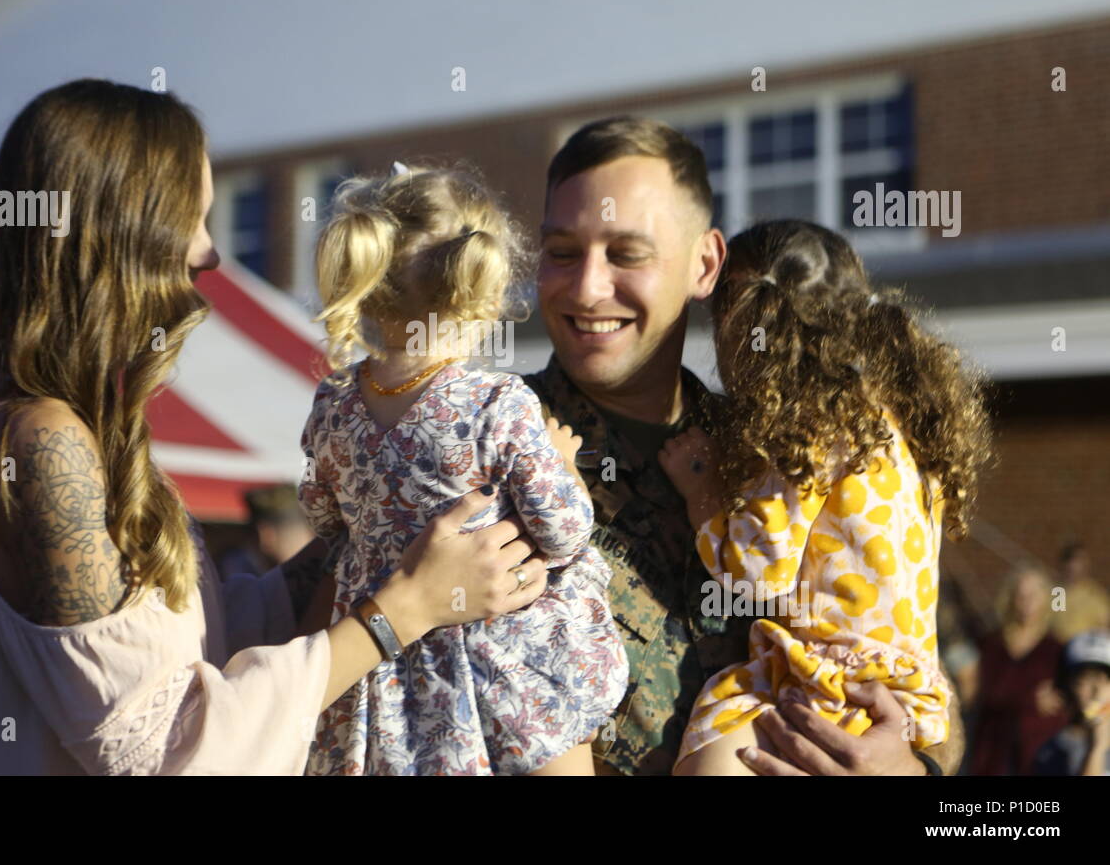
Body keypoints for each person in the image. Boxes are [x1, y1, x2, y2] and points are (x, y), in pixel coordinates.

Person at [0, 79, 550, 775]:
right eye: (192, 220)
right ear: (127, 227)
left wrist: (381, 528)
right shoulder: (43, 441)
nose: (208, 253)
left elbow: (198, 644)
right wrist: (401, 611)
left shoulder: (60, 425)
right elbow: (152, 748)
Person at [523, 115, 967, 774]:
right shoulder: (489, 450)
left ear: (706, 266)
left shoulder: (786, 445)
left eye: (626, 253)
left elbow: (914, 678)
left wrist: (912, 770)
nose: (588, 287)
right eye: (563, 251)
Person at [300, 163, 628, 775]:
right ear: (483, 289)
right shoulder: (496, 405)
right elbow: (561, 532)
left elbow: (322, 515)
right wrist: (565, 468)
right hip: (498, 656)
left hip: (382, 665)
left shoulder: (334, 403)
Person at [657, 219, 992, 774]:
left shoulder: (804, 431)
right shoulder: (898, 423)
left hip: (826, 687)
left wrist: (701, 494)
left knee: (713, 760)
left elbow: (757, 575)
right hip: (905, 696)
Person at [970, 564, 1068, 775]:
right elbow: (989, 692)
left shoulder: (1057, 650)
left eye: (1033, 594)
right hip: (992, 750)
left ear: (1045, 599)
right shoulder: (991, 645)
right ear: (1010, 599)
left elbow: (1064, 700)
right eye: (1020, 595)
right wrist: (1031, 698)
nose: (1027, 602)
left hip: (1038, 752)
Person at [1032, 629, 1110, 775]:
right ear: (1068, 687)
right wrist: (1097, 749)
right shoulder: (1053, 751)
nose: (1096, 691)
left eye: (1104, 679)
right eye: (1084, 680)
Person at [1051, 543, 1110, 643]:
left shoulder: (1094, 594)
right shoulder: (1055, 592)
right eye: (1071, 561)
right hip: (1056, 648)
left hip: (1083, 650)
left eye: (1079, 561)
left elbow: (1104, 626)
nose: (1074, 566)